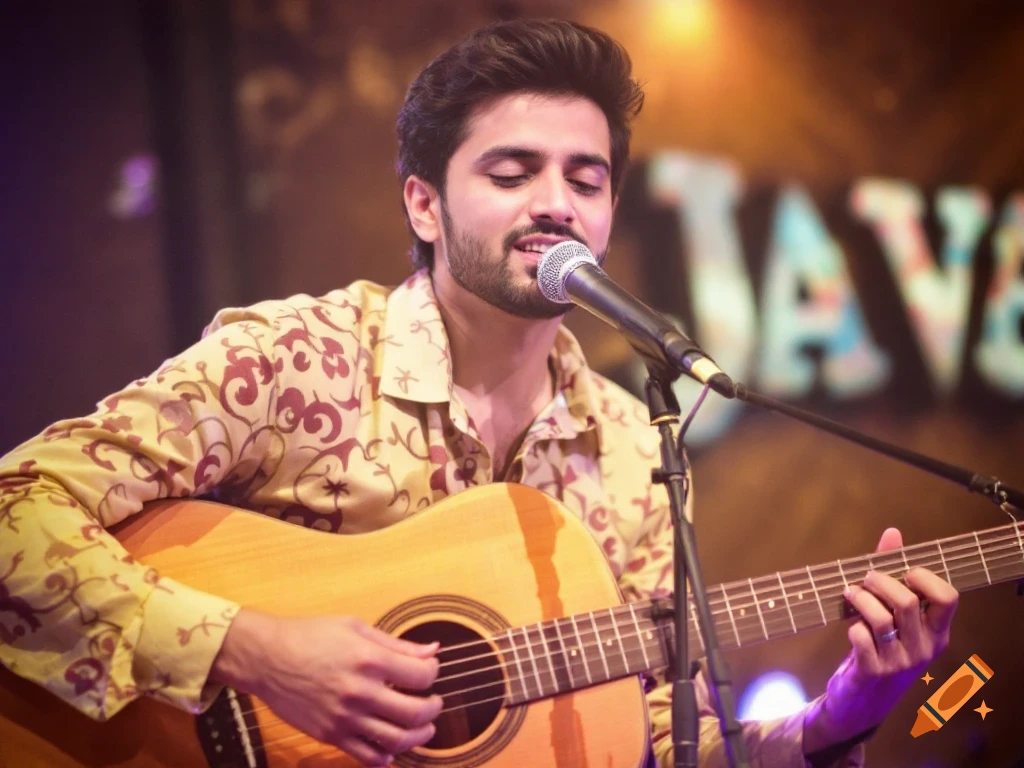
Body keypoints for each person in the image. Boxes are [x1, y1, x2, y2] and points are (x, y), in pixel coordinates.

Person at [0, 18, 958, 768]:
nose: (555, 201)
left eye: (586, 178)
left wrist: (841, 716)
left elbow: (662, 743)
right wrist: (248, 649)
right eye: (512, 171)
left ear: (610, 213)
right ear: (424, 203)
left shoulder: (632, 448)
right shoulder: (296, 358)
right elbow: (15, 511)